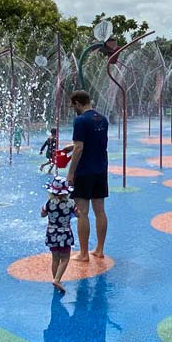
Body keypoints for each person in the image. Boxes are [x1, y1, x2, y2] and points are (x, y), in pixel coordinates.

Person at [66, 90, 109, 262]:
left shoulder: (80, 120)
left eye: (73, 106)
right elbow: (93, 142)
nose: (73, 109)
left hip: (84, 171)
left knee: (82, 213)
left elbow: (80, 148)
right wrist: (71, 146)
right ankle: (99, 249)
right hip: (101, 170)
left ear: (77, 103)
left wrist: (70, 173)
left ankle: (83, 254)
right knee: (100, 211)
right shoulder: (103, 119)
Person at [42, 176, 76, 292]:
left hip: (51, 234)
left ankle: (56, 279)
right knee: (65, 258)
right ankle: (57, 280)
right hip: (65, 234)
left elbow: (42, 214)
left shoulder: (49, 203)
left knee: (55, 259)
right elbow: (79, 214)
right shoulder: (71, 203)